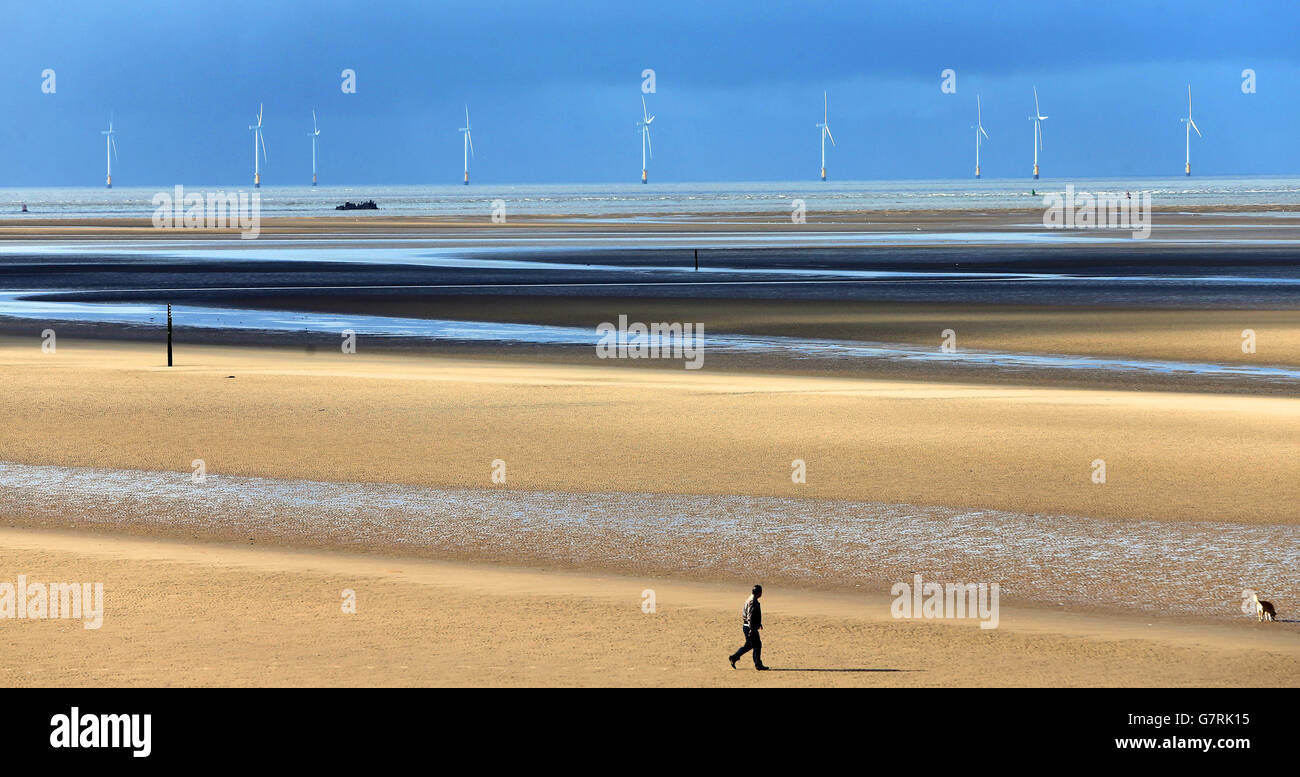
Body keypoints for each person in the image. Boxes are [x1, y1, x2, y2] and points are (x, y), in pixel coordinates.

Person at [728, 584, 769, 670]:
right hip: (749, 627)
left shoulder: (752, 599)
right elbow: (750, 616)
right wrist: (752, 629)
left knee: (750, 645)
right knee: (757, 644)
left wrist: (758, 623)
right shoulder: (752, 601)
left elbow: (752, 615)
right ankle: (758, 664)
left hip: (749, 626)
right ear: (758, 593)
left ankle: (734, 657)